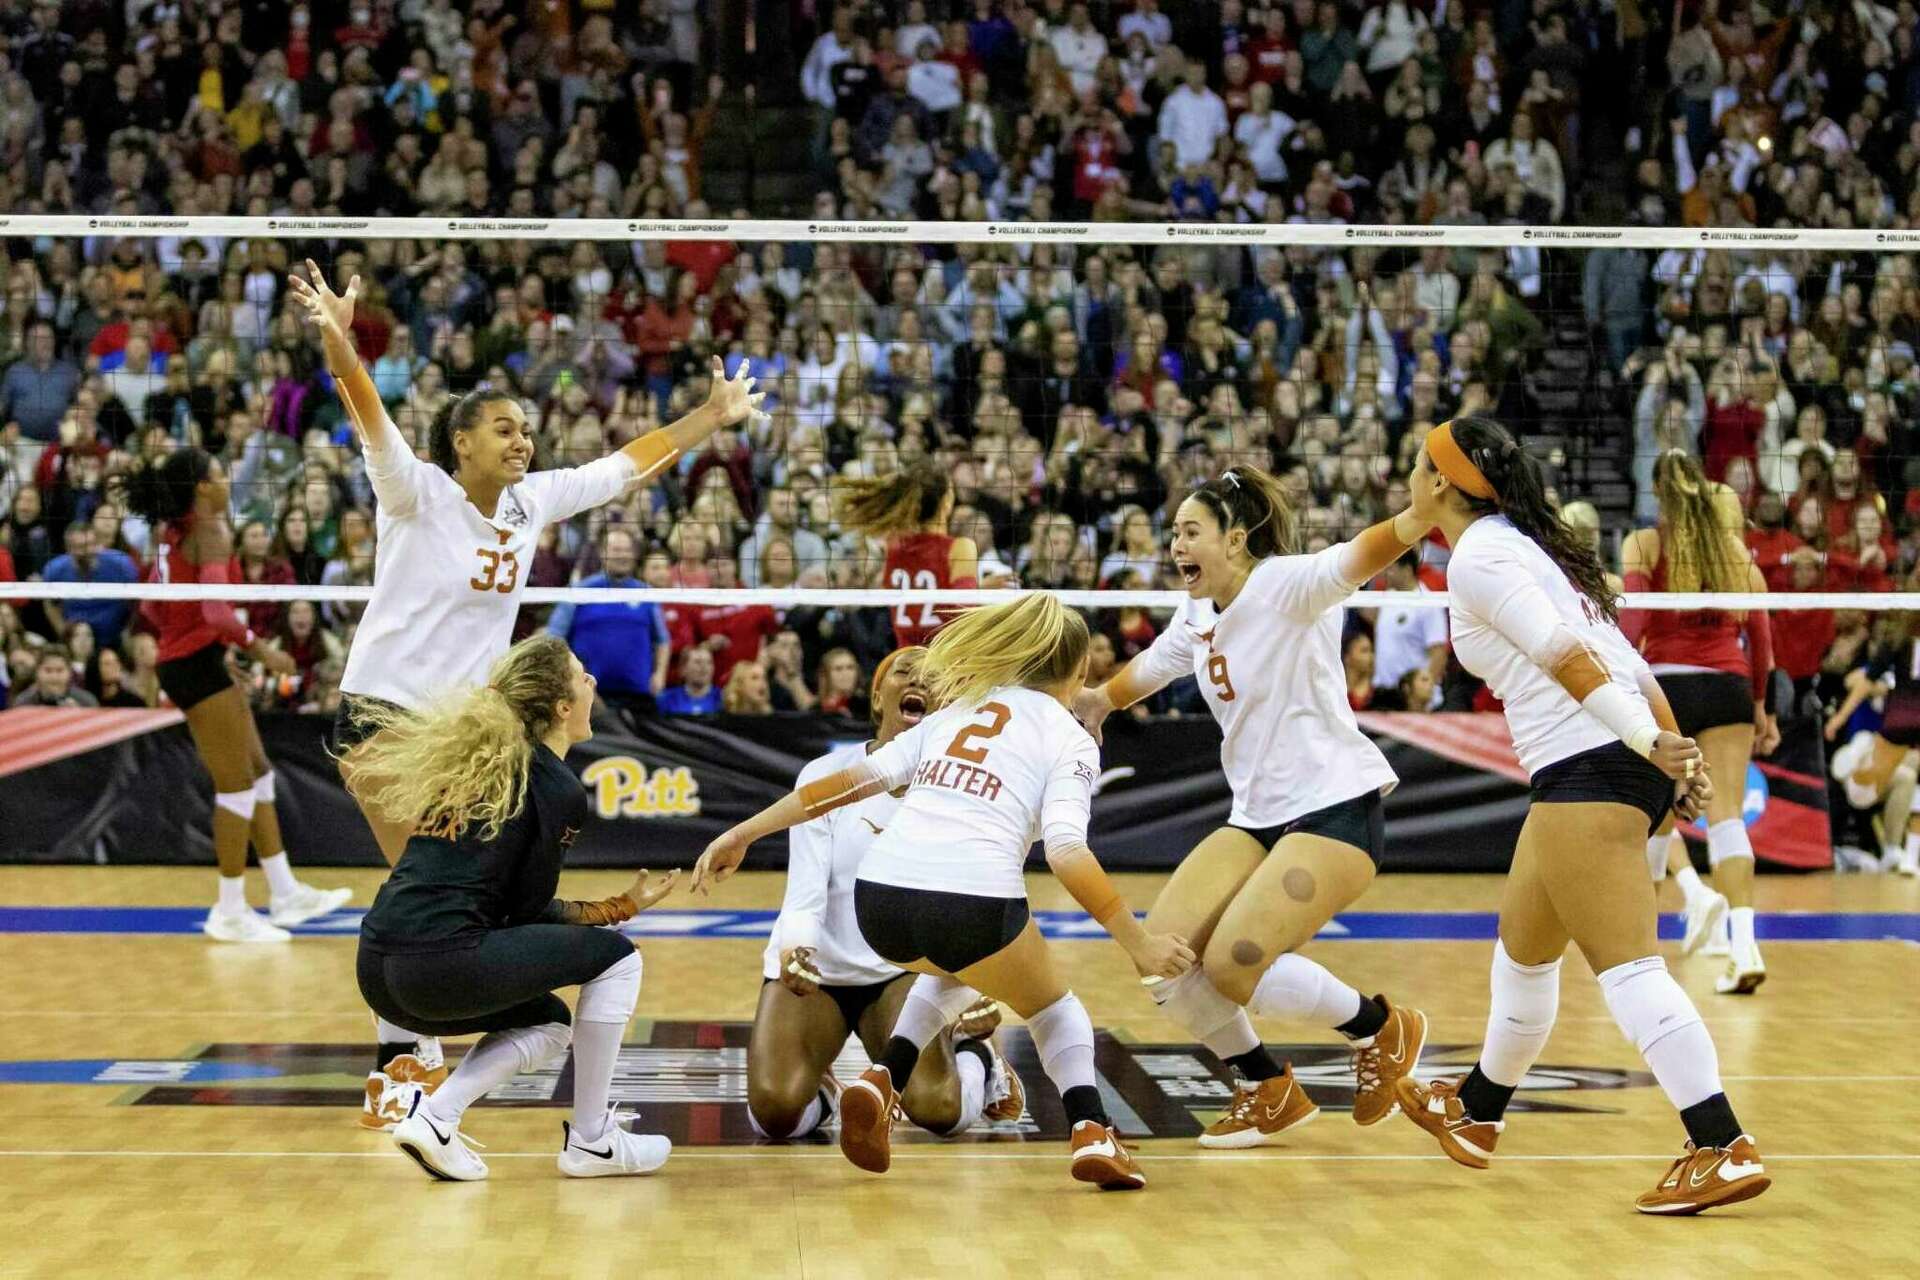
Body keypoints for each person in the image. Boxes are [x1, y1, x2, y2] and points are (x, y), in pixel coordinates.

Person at [292, 260, 763, 1128]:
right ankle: (401, 1062)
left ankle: (420, 1058)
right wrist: (337, 334)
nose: (522, 441)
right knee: (422, 883)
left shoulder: (530, 504)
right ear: (460, 443)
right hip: (388, 718)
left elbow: (625, 467)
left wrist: (711, 415)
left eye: (526, 430)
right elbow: (367, 408)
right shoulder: (416, 493)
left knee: (440, 888)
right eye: (503, 430)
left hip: (469, 732)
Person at [1395, 417, 1769, 1215]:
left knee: (1629, 971)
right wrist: (1673, 753)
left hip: (1590, 759)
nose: (1410, 473)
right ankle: (1479, 1109)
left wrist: (1649, 742)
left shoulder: (1483, 557)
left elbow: (1570, 655)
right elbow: (1630, 663)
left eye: (1420, 463)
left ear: (1442, 483)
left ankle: (1720, 1144)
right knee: (1522, 954)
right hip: (1603, 756)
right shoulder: (1525, 548)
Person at [694, 593, 1193, 1190]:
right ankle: (1093, 1129)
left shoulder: (955, 713)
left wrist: (744, 832)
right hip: (970, 899)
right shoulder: (1069, 736)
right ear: (1080, 671)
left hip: (879, 903)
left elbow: (839, 786)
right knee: (1053, 1006)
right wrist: (1137, 942)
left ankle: (882, 1078)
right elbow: (1066, 852)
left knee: (950, 962)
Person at [1075, 465, 1431, 1148]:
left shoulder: (1287, 584)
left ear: (1236, 540)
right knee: (1163, 956)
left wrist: (1417, 518)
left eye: (1190, 532)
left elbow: (1360, 554)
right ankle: (1263, 1086)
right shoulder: (1197, 610)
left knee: (1236, 963)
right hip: (1258, 816)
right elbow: (1153, 666)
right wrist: (1097, 702)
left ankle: (1380, 1028)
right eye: (1173, 533)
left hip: (1334, 808)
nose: (1176, 546)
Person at [350, 634, 679, 1181]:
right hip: (437, 965)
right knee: (620, 959)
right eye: (581, 675)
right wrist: (613, 911)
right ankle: (591, 1141)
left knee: (550, 1022)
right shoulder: (554, 785)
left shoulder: (478, 767)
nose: (592, 681)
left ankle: (437, 1119)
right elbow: (525, 912)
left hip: (379, 973)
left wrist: (613, 907)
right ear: (562, 707)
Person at [747, 646, 1023, 1143]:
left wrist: (968, 987)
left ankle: (981, 1061)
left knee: (938, 1111)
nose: (918, 679)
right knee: (775, 1113)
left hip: (902, 972)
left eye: (933, 676)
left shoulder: (959, 790)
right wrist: (795, 951)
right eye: (904, 672)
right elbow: (804, 894)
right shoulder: (824, 775)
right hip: (821, 970)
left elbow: (966, 906)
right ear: (878, 696)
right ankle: (826, 1091)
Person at [121, 446, 351, 943]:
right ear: (203, 486)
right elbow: (217, 614)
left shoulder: (173, 533)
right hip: (193, 668)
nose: (228, 481)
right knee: (237, 787)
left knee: (259, 772)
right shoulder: (211, 532)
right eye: (221, 474)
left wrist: (205, 650)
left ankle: (285, 893)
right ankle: (229, 909)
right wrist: (264, 653)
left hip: (193, 663)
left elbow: (157, 608)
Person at [1621, 451, 1778, 993]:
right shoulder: (1737, 552)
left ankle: (1640, 958)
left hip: (1666, 689)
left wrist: (1614, 684)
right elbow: (1759, 635)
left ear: (1658, 493)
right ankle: (1745, 947)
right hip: (1728, 685)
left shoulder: (1644, 544)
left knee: (1656, 821)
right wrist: (1761, 706)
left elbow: (1634, 621)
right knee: (1727, 818)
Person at [834, 464, 979, 647]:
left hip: (905, 659)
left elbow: (923, 590)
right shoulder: (960, 548)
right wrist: (987, 596)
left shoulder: (893, 548)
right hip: (943, 657)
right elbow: (964, 610)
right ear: (946, 502)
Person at [546, 526, 670, 714]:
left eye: (627, 550)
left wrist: (659, 674)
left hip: (639, 697)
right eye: (616, 550)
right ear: (602, 553)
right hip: (589, 698)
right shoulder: (579, 592)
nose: (622, 555)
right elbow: (554, 640)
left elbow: (663, 641)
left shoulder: (645, 593)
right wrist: (580, 682)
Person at [11, 644, 97, 707]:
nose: (54, 677)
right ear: (37, 672)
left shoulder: (87, 702)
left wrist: (77, 715)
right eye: (48, 670)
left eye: (59, 670)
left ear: (70, 672)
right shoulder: (23, 703)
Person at [659, 646, 722, 715]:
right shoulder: (667, 699)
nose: (704, 667)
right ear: (683, 669)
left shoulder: (722, 699)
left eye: (709, 662)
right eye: (697, 662)